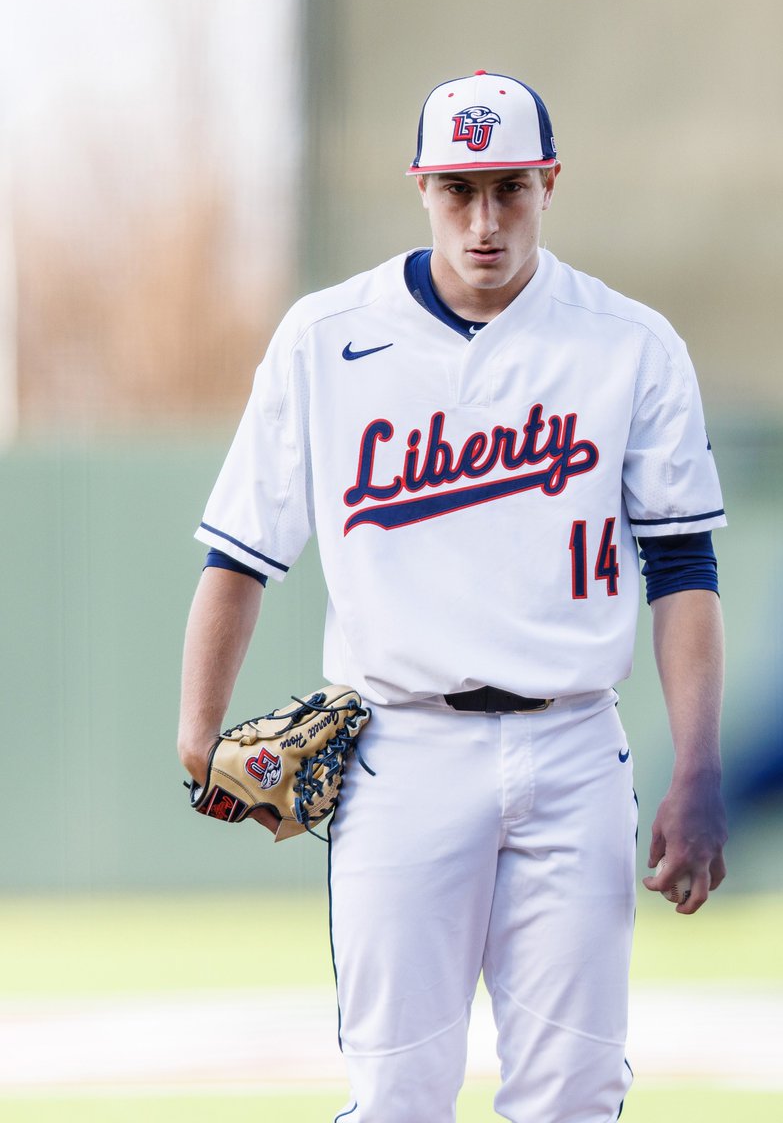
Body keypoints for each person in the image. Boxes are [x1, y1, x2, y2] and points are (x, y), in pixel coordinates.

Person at [178, 70, 728, 1123]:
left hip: (573, 746)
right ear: (421, 188)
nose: (485, 220)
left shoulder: (630, 344)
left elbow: (684, 571)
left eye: (509, 188)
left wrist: (698, 768)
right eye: (459, 189)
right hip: (402, 749)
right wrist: (197, 737)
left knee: (575, 1093)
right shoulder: (325, 338)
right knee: (398, 1094)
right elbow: (240, 556)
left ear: (551, 182)